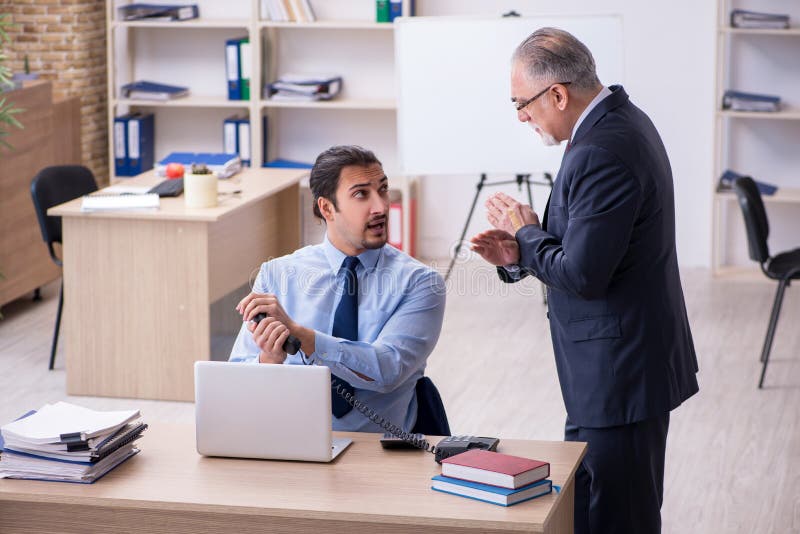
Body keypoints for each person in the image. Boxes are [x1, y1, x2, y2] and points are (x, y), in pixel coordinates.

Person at [470, 28, 699, 534]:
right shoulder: (617, 124)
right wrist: (518, 252)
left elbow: (582, 273)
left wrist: (527, 232)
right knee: (598, 504)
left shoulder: (602, 151)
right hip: (617, 367)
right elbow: (588, 249)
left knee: (616, 516)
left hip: (619, 372)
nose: (521, 117)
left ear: (557, 94)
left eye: (521, 103)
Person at [229, 145, 446, 434]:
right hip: (291, 442)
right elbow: (235, 377)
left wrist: (304, 337)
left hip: (381, 453)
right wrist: (268, 360)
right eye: (361, 194)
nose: (381, 206)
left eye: (383, 190)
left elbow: (388, 368)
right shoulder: (277, 274)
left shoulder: (421, 282)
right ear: (326, 208)